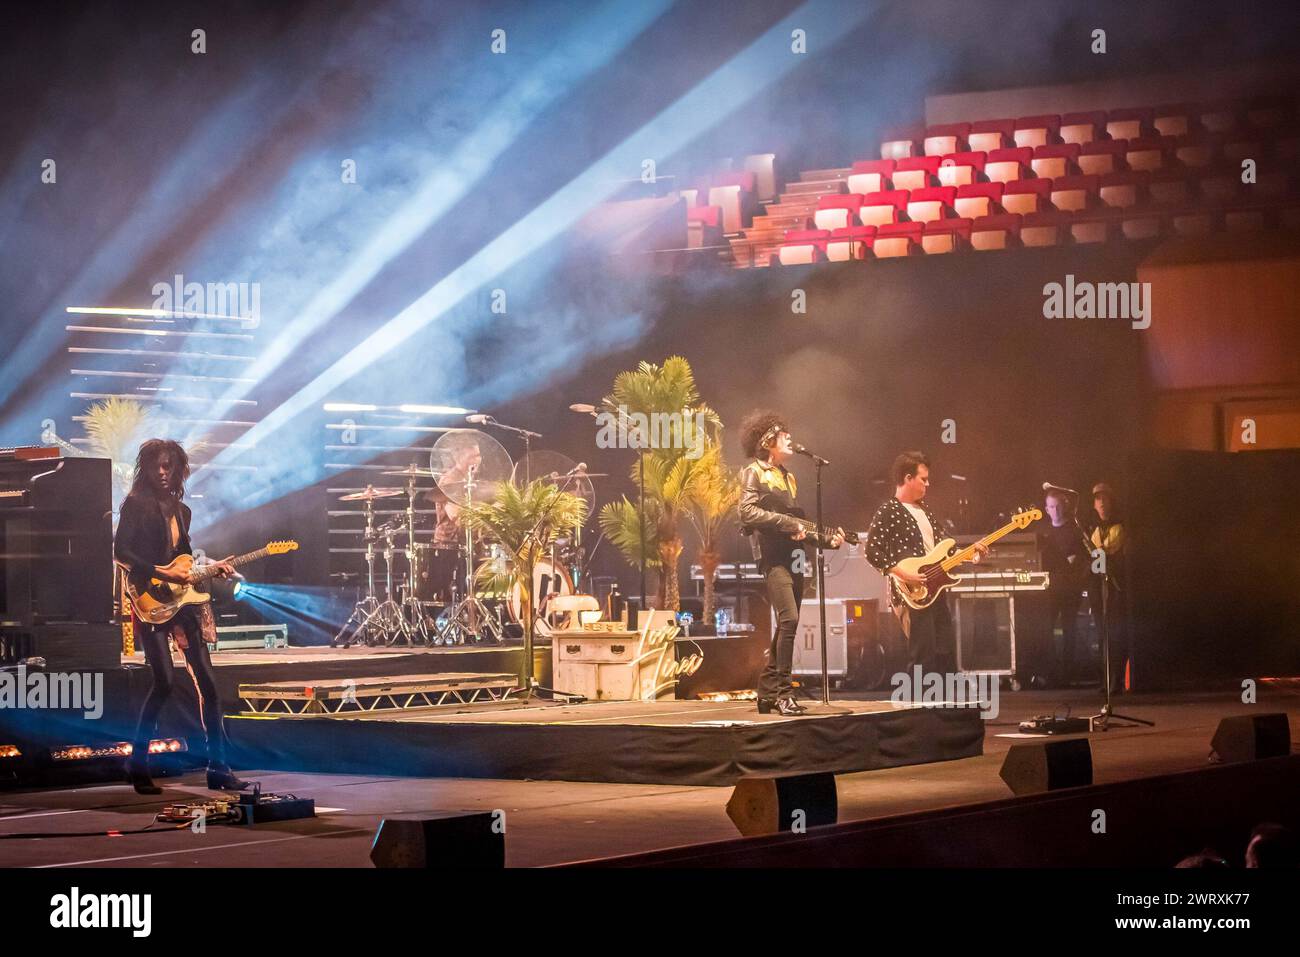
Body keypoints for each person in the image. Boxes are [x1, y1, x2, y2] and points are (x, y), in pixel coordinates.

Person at [114, 439, 249, 794]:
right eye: (157, 466)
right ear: (146, 468)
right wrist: (162, 573)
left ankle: (218, 767)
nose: (163, 472)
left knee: (208, 683)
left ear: (178, 469)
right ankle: (137, 762)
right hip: (150, 599)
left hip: (183, 603)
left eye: (168, 466)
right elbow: (120, 552)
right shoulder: (135, 505)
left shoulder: (182, 510)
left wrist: (211, 568)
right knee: (164, 683)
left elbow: (185, 560)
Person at [738, 411, 842, 716]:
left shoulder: (788, 477)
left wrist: (827, 540)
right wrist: (786, 523)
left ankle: (766, 692)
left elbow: (799, 526)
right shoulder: (752, 472)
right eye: (785, 436)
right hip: (772, 559)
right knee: (790, 620)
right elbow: (747, 513)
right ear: (769, 441)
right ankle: (784, 693)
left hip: (793, 557)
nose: (790, 440)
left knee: (787, 622)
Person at [866, 451, 986, 675]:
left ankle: (944, 704)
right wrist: (902, 574)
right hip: (911, 592)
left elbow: (945, 549)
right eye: (923, 479)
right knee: (923, 650)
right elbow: (872, 550)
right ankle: (920, 704)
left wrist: (972, 554)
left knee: (944, 646)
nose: (927, 484)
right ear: (908, 478)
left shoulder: (926, 511)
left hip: (935, 587)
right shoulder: (888, 510)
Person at [1041, 488, 1092, 687]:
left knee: (1069, 630)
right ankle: (1051, 672)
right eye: (1052, 507)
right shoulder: (1044, 533)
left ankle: (1068, 674)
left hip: (1070, 588)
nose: (1056, 510)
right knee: (1046, 629)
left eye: (1059, 506)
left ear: (1065, 506)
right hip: (1049, 589)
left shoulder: (1075, 530)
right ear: (1046, 509)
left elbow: (1082, 560)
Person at [1089, 482, 1129, 693]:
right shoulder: (1092, 528)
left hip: (1114, 588)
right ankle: (1105, 680)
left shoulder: (1119, 526)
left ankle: (1117, 680)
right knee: (1102, 635)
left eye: (1105, 499)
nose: (1102, 503)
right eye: (1098, 500)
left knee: (1115, 635)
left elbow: (1106, 550)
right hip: (1098, 589)